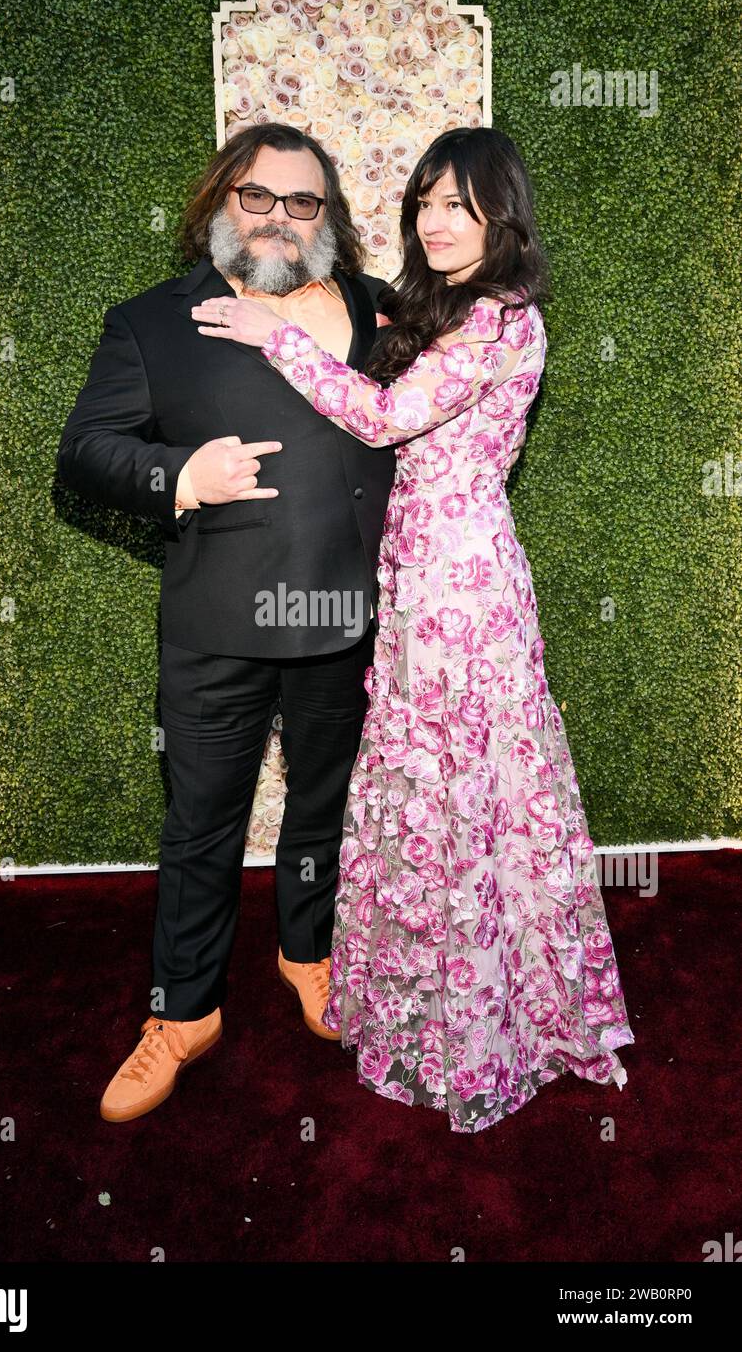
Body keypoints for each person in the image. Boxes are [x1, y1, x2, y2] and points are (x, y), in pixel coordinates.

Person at [192, 126, 635, 1134]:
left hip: (459, 586)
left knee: (459, 786)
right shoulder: (459, 310)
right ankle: (438, 986)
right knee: (443, 784)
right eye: (425, 203)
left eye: (460, 208)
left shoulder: (496, 324)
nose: (436, 224)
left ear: (501, 216)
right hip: (427, 573)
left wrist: (277, 336)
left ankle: (477, 1019)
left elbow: (383, 418)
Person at [57, 124, 398, 1123]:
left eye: (303, 202)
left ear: (326, 216)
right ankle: (184, 1012)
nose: (279, 218)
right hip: (215, 623)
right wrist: (177, 475)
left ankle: (309, 952)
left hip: (347, 616)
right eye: (258, 196)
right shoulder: (152, 322)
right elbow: (84, 451)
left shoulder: (380, 310)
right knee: (200, 824)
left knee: (321, 807)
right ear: (217, 200)